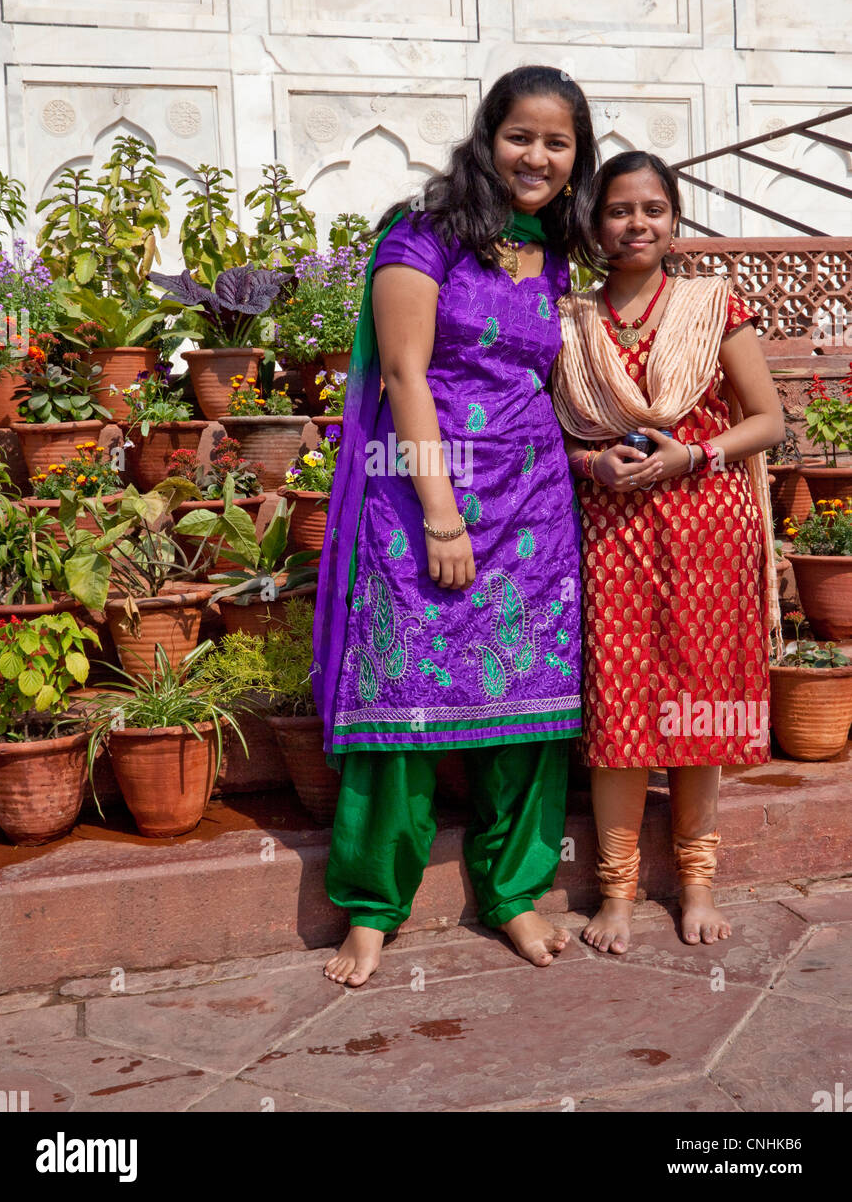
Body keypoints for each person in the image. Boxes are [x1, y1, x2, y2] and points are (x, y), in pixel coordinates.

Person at [312, 65, 599, 986]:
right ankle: (371, 908)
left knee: (529, 710)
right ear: (489, 136)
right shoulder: (424, 235)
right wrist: (439, 514)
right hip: (424, 495)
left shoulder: (551, 250)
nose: (538, 157)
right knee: (403, 693)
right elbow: (404, 376)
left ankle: (514, 893)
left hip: (536, 504)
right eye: (522, 136)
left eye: (558, 143)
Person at [551, 151, 785, 955]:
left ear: (674, 220)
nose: (636, 223)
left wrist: (694, 455)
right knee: (620, 710)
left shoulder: (711, 305)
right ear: (594, 221)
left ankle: (697, 883)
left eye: (653, 208)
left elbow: (768, 419)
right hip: (614, 532)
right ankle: (614, 894)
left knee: (701, 703)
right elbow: (550, 437)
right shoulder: (571, 319)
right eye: (619, 210)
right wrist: (592, 463)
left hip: (709, 525)